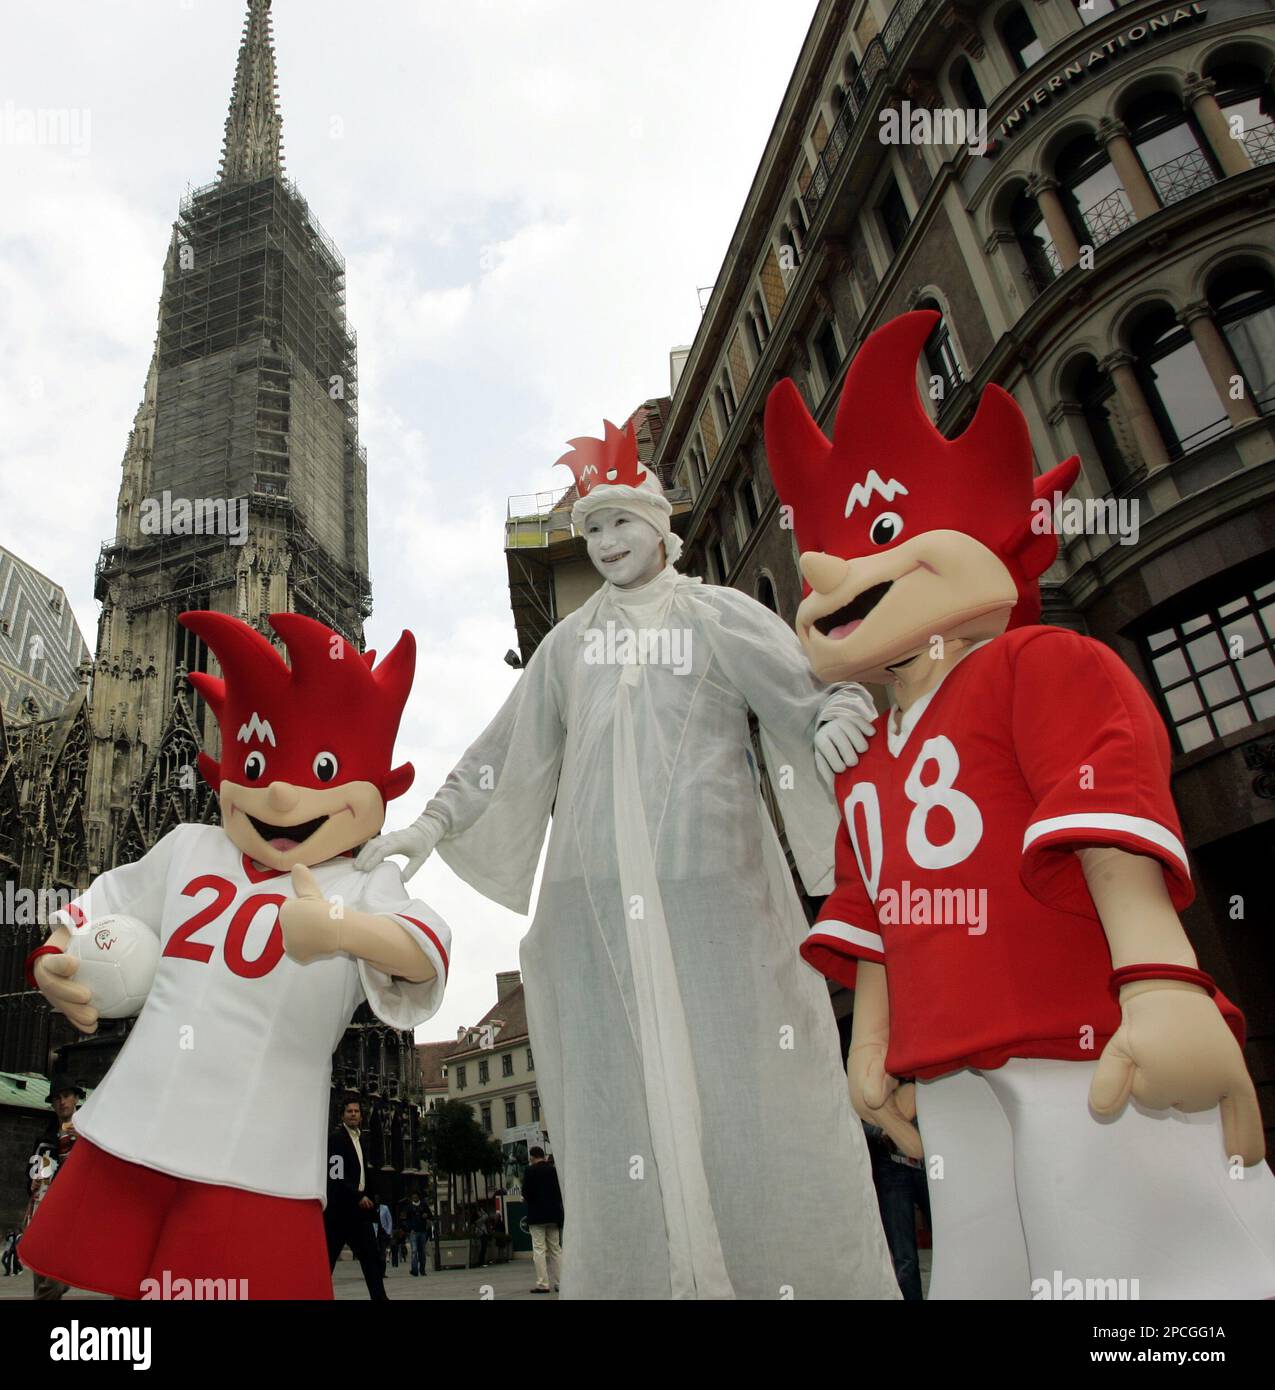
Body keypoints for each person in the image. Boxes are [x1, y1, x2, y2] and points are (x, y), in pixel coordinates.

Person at [766, 308, 1275, 1298]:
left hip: (1083, 1047)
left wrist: (1162, 981)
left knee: (1143, 1264)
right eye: (820, 549)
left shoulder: (1036, 663)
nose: (830, 572)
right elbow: (876, 918)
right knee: (986, 1271)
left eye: (875, 531)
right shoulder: (868, 759)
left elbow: (1107, 816)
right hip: (951, 1070)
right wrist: (874, 1046)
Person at [359, 419, 897, 1301]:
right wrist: (425, 830)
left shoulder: (720, 614)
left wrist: (833, 709)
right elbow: (503, 752)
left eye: (620, 523)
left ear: (660, 526)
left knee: (747, 1088)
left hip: (713, 899)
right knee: (620, 1112)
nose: (605, 543)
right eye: (592, 528)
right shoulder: (566, 647)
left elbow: (805, 683)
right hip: (594, 910)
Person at [22, 612, 452, 1301]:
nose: (280, 793)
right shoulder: (191, 846)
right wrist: (53, 958)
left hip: (254, 1154)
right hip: (137, 1121)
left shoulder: (363, 881)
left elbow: (425, 953)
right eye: (256, 768)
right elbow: (102, 903)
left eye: (319, 770)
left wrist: (342, 929)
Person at [23, 1078, 85, 1300]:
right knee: (42, 1276)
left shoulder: (89, 1134)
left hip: (73, 1217)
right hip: (43, 1212)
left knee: (55, 1281)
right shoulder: (45, 1138)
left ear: (76, 1098)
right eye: (57, 1098)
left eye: (66, 1096)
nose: (62, 1102)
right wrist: (32, 1182)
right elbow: (33, 1170)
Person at [325, 1097, 387, 1300]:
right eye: (349, 1111)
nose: (353, 1114)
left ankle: (380, 1298)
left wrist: (368, 1195)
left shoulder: (360, 1139)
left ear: (361, 1116)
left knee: (371, 1257)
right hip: (341, 1211)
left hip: (359, 1212)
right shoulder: (337, 1139)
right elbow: (336, 1175)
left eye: (356, 1111)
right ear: (342, 1115)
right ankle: (316, 1293)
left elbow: (362, 1172)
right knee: (328, 1259)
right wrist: (358, 1196)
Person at [863, 1121, 929, 1301]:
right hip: (890, 1163)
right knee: (904, 1259)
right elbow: (853, 1110)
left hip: (933, 1161)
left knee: (952, 1243)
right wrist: (882, 1131)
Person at [522, 1145, 563, 1294]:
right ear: (543, 1156)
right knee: (556, 1249)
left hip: (537, 1216)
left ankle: (543, 1284)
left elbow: (526, 1193)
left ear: (532, 1157)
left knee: (539, 1249)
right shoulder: (553, 1170)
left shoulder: (530, 1171)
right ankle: (561, 1282)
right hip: (553, 1215)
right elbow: (560, 1191)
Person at [401, 1193, 431, 1276]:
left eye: (416, 1196)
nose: (415, 1198)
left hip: (422, 1231)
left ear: (418, 1197)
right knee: (414, 1251)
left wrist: (427, 1215)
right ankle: (414, 1270)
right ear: (411, 1198)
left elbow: (430, 1216)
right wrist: (409, 1229)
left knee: (422, 1252)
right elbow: (404, 1220)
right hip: (413, 1232)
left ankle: (422, 1270)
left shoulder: (424, 1205)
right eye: (413, 1197)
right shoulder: (409, 1207)